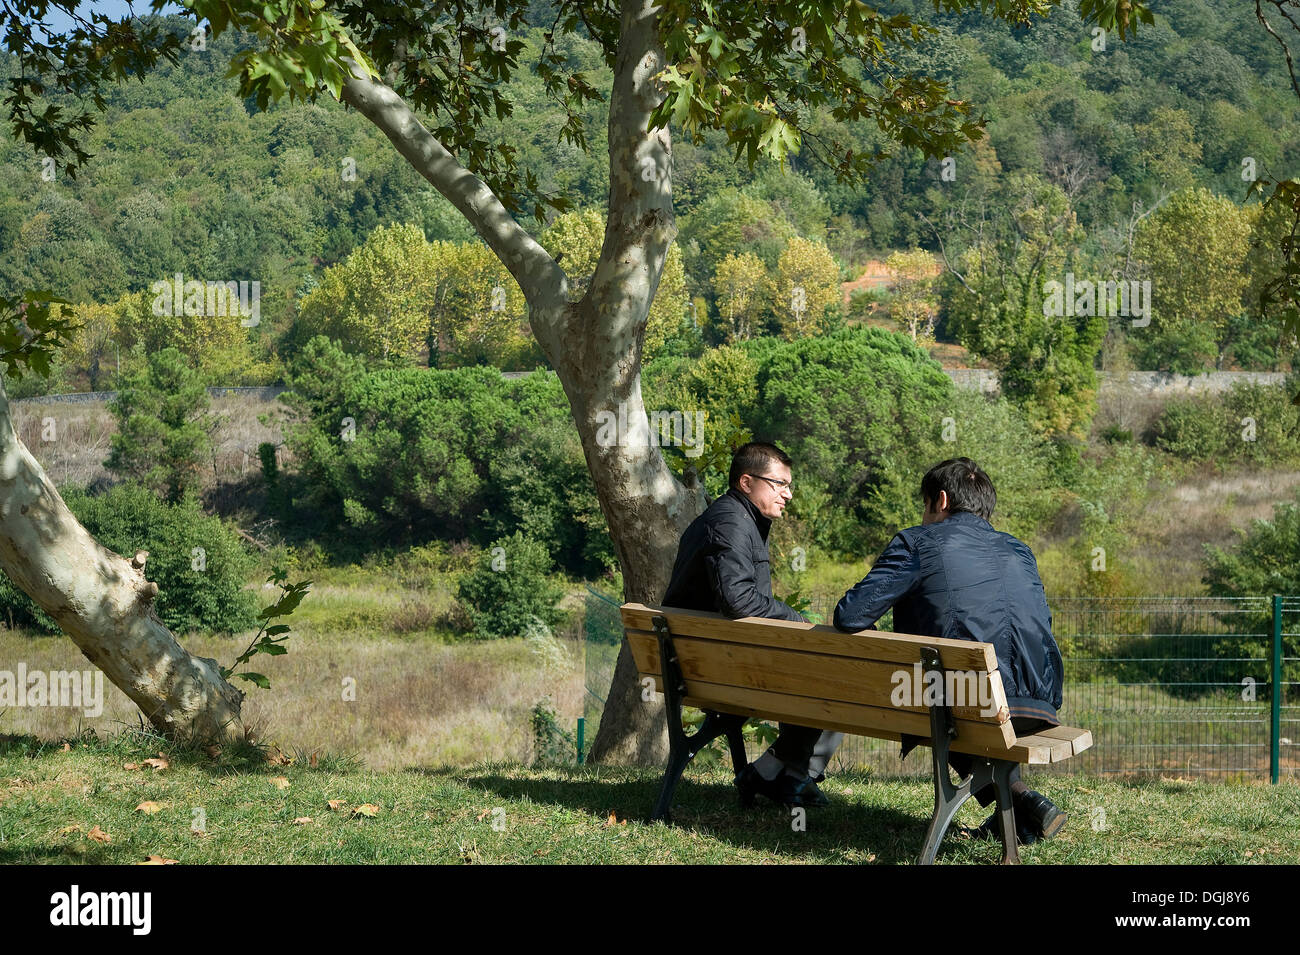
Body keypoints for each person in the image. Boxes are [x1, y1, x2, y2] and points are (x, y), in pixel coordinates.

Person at [833, 457, 1067, 844]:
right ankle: (1021, 808)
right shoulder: (1020, 550)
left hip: (962, 702)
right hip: (1037, 703)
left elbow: (851, 614)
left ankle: (1021, 800)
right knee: (966, 697)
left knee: (948, 696)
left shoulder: (919, 542)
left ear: (940, 500)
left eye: (924, 505)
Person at [662, 441, 842, 808]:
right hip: (724, 672)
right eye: (779, 484)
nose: (787, 494)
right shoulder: (731, 522)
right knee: (835, 674)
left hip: (708, 666)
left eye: (789, 485)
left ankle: (785, 773)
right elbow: (738, 600)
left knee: (825, 669)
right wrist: (794, 618)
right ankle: (786, 773)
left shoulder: (738, 518)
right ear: (746, 482)